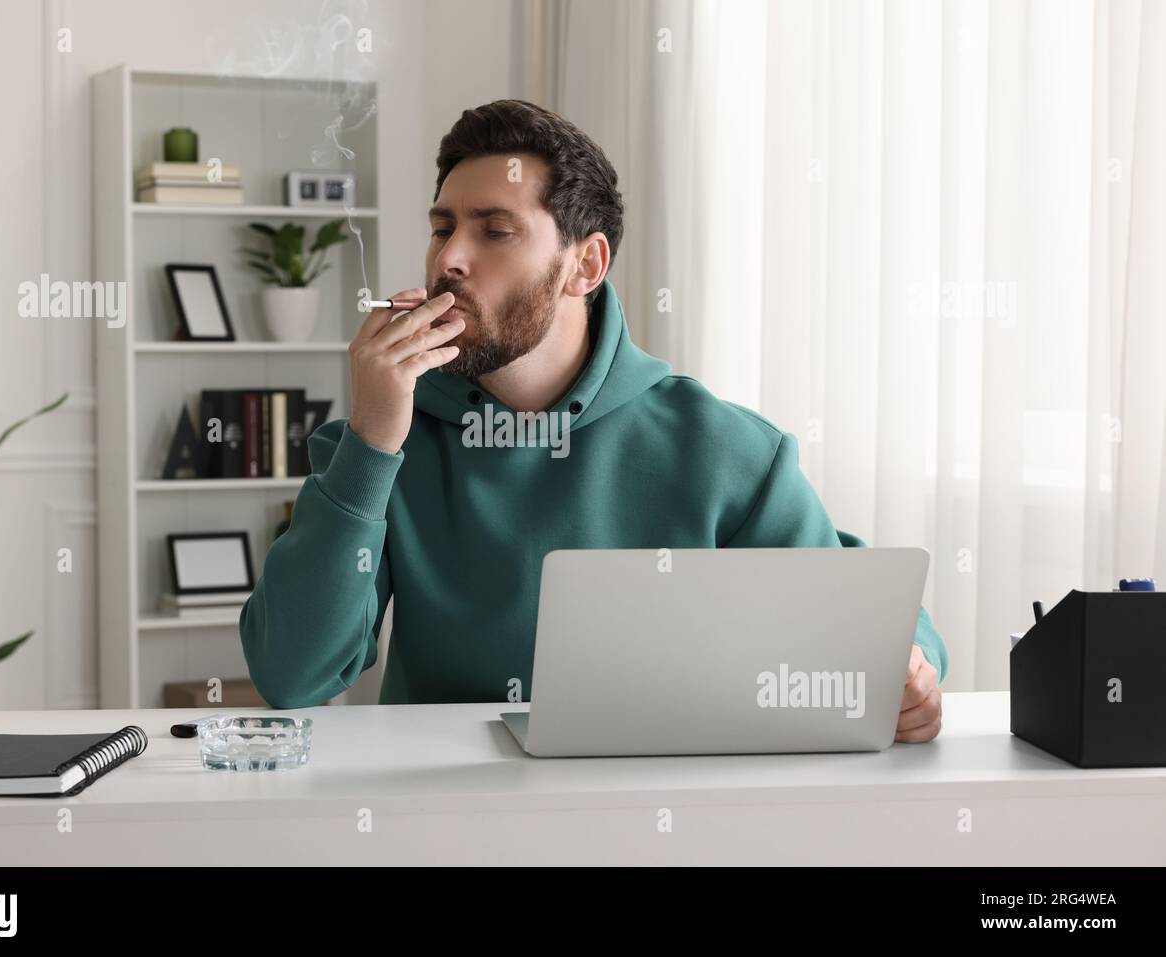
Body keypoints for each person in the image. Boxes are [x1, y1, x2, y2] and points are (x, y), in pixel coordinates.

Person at [240, 99, 946, 743]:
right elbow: (291, 674)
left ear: (586, 265)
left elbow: (853, 601)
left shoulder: (721, 448)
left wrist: (911, 668)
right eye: (442, 227)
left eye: (495, 230)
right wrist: (370, 446)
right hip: (446, 824)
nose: (449, 258)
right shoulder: (381, 439)